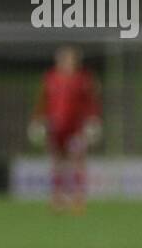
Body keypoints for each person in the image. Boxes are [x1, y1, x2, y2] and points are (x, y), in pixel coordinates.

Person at [29, 46, 101, 213]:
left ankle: (78, 198)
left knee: (77, 160)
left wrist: (93, 119)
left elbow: (91, 102)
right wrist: (37, 119)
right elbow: (43, 100)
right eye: (64, 58)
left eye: (70, 59)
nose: (67, 62)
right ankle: (57, 198)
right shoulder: (50, 78)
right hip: (56, 126)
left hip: (76, 127)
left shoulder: (83, 79)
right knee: (57, 162)